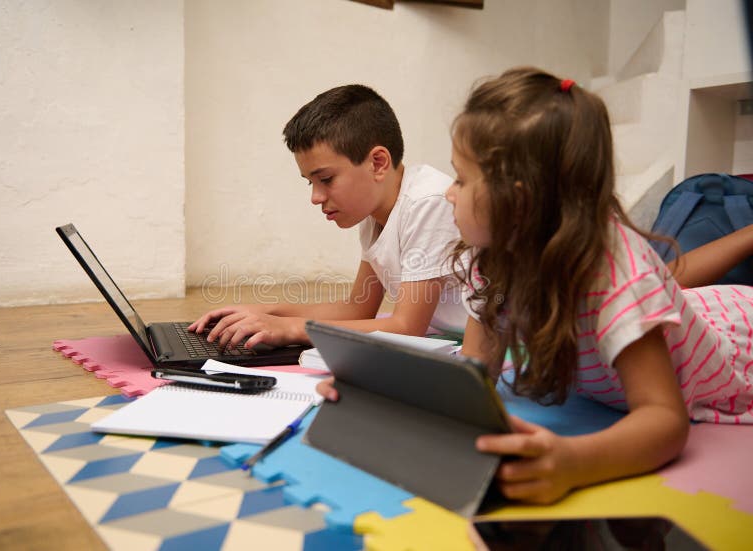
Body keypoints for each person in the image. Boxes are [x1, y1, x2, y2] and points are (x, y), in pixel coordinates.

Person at [319, 67, 753, 505]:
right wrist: (383, 391)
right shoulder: (490, 260)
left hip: (740, 341)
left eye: (463, 180)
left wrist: (573, 461)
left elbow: (665, 419)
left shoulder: (614, 272)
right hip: (688, 311)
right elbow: (473, 373)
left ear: (519, 199)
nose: (449, 194)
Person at [190, 84, 467, 349]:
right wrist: (265, 312)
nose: (316, 197)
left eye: (326, 179)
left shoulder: (427, 202)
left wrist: (292, 329)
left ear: (378, 163)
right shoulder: (376, 212)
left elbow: (407, 329)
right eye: (310, 182)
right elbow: (358, 307)